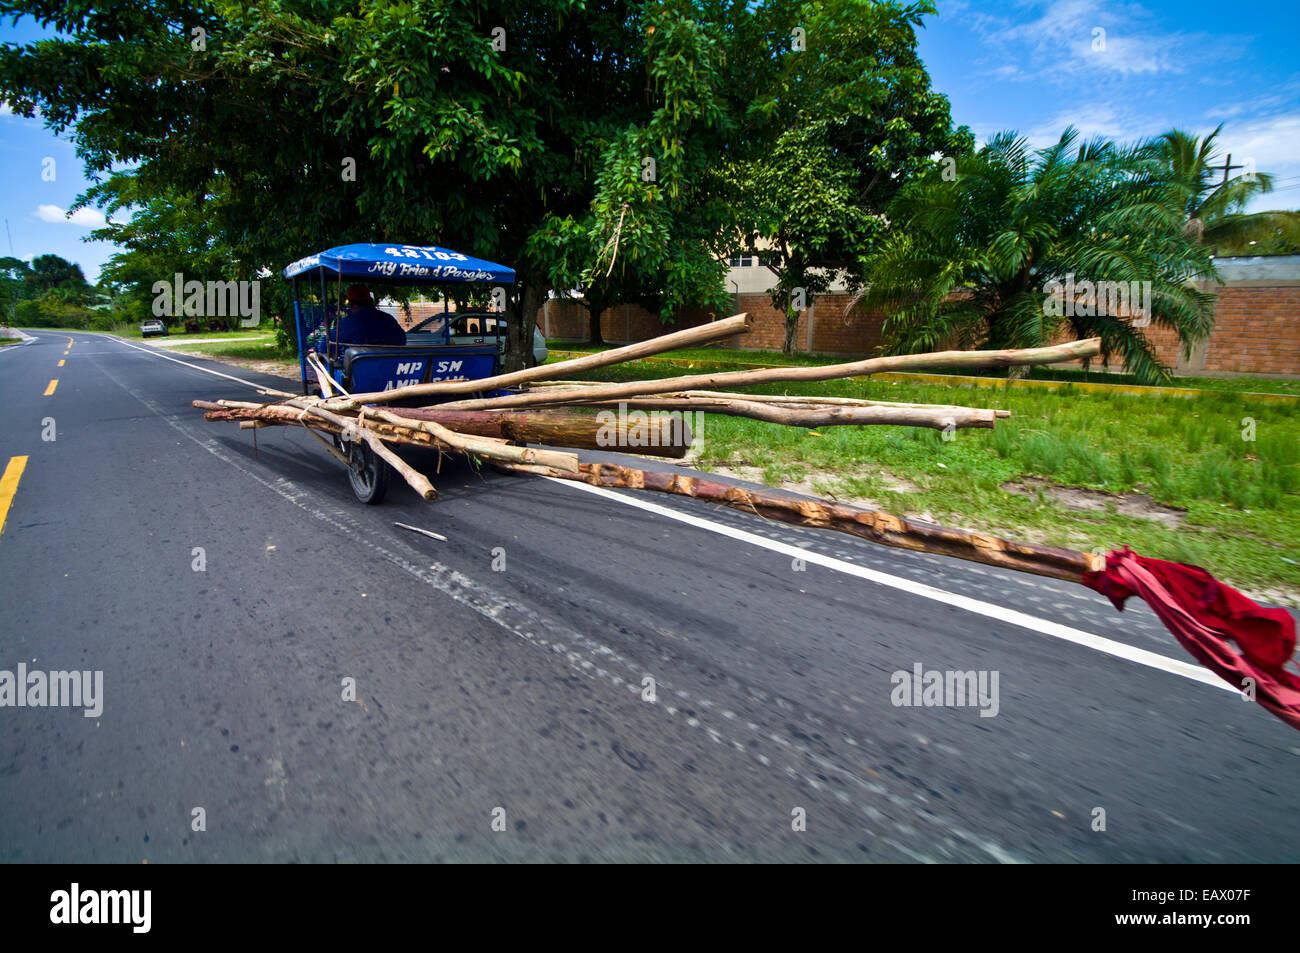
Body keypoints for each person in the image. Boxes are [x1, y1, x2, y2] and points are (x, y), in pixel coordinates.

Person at [334, 285, 406, 347]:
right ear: (371, 301)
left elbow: (324, 346)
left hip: (359, 363)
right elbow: (402, 340)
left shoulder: (346, 323)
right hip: (389, 362)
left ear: (352, 304)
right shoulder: (389, 320)